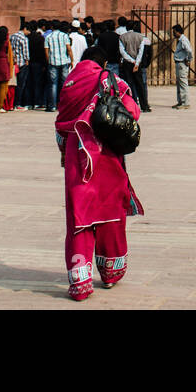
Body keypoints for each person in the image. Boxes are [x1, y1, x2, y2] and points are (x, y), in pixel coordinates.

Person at [56, 46, 144, 301]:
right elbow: (132, 113)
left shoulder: (69, 83)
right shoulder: (108, 79)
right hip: (105, 153)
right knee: (110, 212)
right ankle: (110, 273)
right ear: (103, 62)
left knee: (80, 217)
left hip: (77, 153)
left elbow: (60, 124)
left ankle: (80, 283)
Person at [118, 19, 151, 113]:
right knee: (140, 85)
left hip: (127, 63)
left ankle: (131, 105)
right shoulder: (140, 37)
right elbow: (141, 51)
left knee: (129, 84)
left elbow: (122, 51)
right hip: (137, 64)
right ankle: (145, 106)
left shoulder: (122, 37)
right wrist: (136, 63)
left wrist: (131, 60)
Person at [44, 20, 72, 112]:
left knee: (53, 84)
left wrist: (48, 61)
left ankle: (52, 106)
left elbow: (46, 52)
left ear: (52, 27)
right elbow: (69, 49)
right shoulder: (64, 36)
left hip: (52, 62)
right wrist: (72, 60)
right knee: (64, 84)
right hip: (64, 61)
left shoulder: (48, 37)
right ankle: (65, 105)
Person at [26, 20, 49, 109]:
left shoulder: (27, 38)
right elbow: (43, 53)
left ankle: (28, 102)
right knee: (37, 84)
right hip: (38, 63)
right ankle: (37, 102)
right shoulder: (40, 38)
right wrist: (44, 64)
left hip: (29, 62)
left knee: (29, 83)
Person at [171, 23, 193, 109]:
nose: (173, 34)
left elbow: (189, 50)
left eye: (174, 32)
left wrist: (189, 59)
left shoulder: (183, 40)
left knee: (183, 83)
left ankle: (185, 103)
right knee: (179, 83)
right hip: (179, 63)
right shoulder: (181, 40)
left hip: (181, 63)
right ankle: (180, 101)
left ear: (178, 32)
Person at [11, 22, 31, 110]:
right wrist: (27, 61)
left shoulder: (12, 36)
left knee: (14, 84)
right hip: (22, 63)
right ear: (25, 28)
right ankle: (17, 103)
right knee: (21, 85)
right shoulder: (24, 38)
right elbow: (26, 53)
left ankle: (12, 103)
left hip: (14, 63)